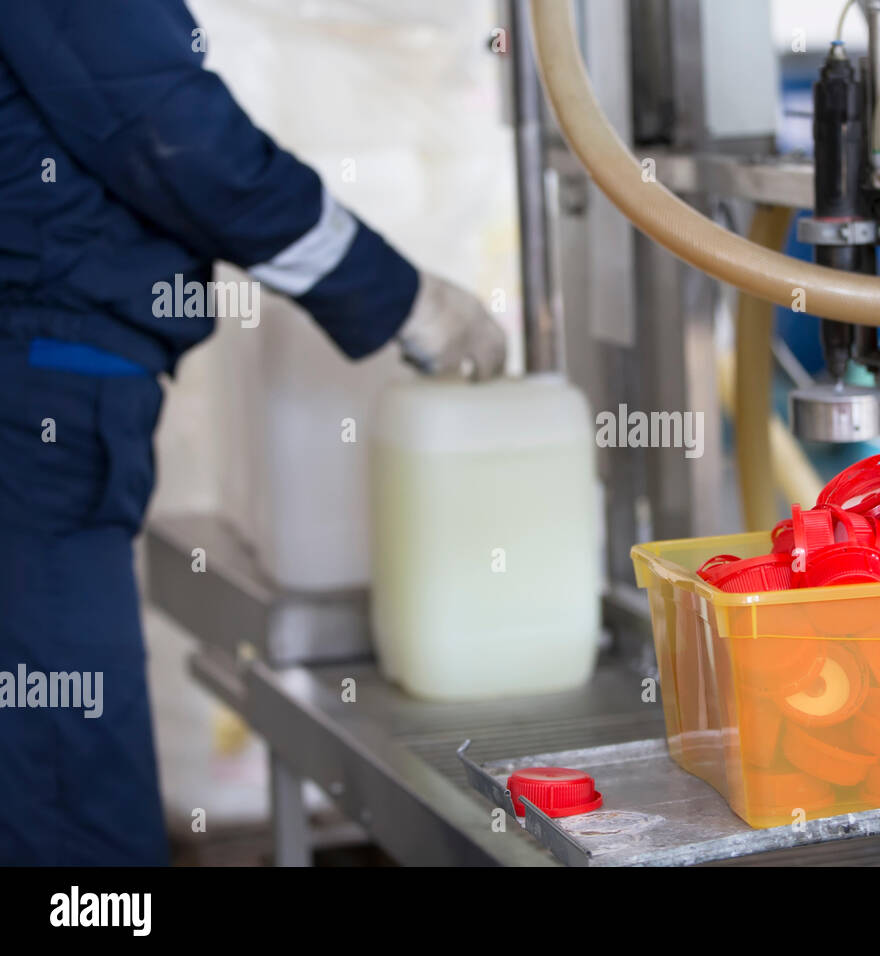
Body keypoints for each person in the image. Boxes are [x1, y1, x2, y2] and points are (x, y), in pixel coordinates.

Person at [0, 2, 505, 864]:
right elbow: (175, 140)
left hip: (56, 381)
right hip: (38, 392)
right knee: (67, 787)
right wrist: (394, 293)